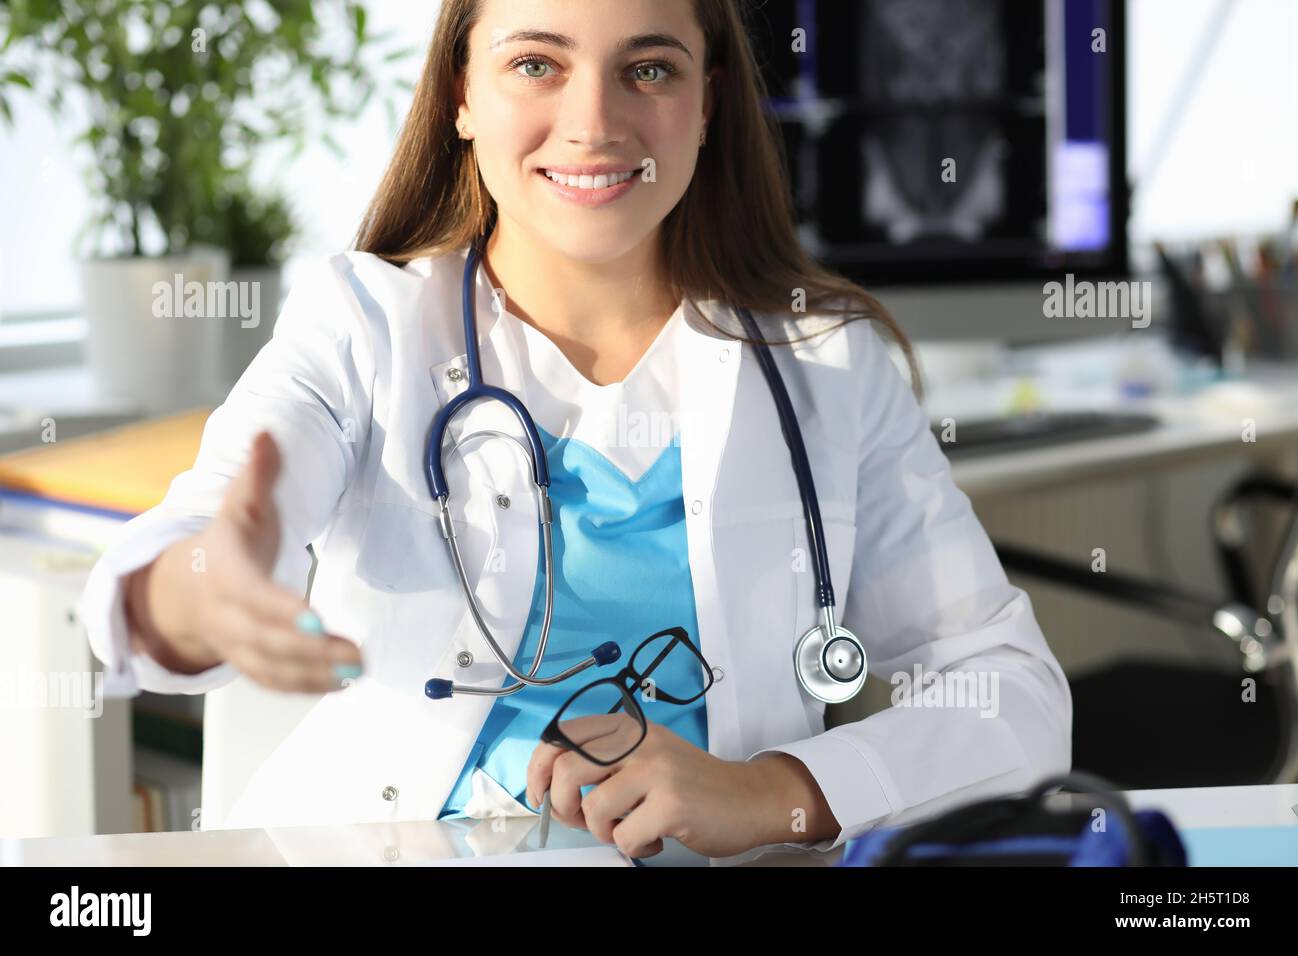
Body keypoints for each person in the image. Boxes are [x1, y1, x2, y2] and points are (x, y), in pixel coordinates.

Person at [80, 0, 1071, 860]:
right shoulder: (363, 326)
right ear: (461, 93)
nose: (593, 121)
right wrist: (206, 593)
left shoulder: (827, 363)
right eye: (536, 62)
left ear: (708, 102)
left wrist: (776, 790)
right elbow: (183, 551)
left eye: (648, 67)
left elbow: (1012, 696)